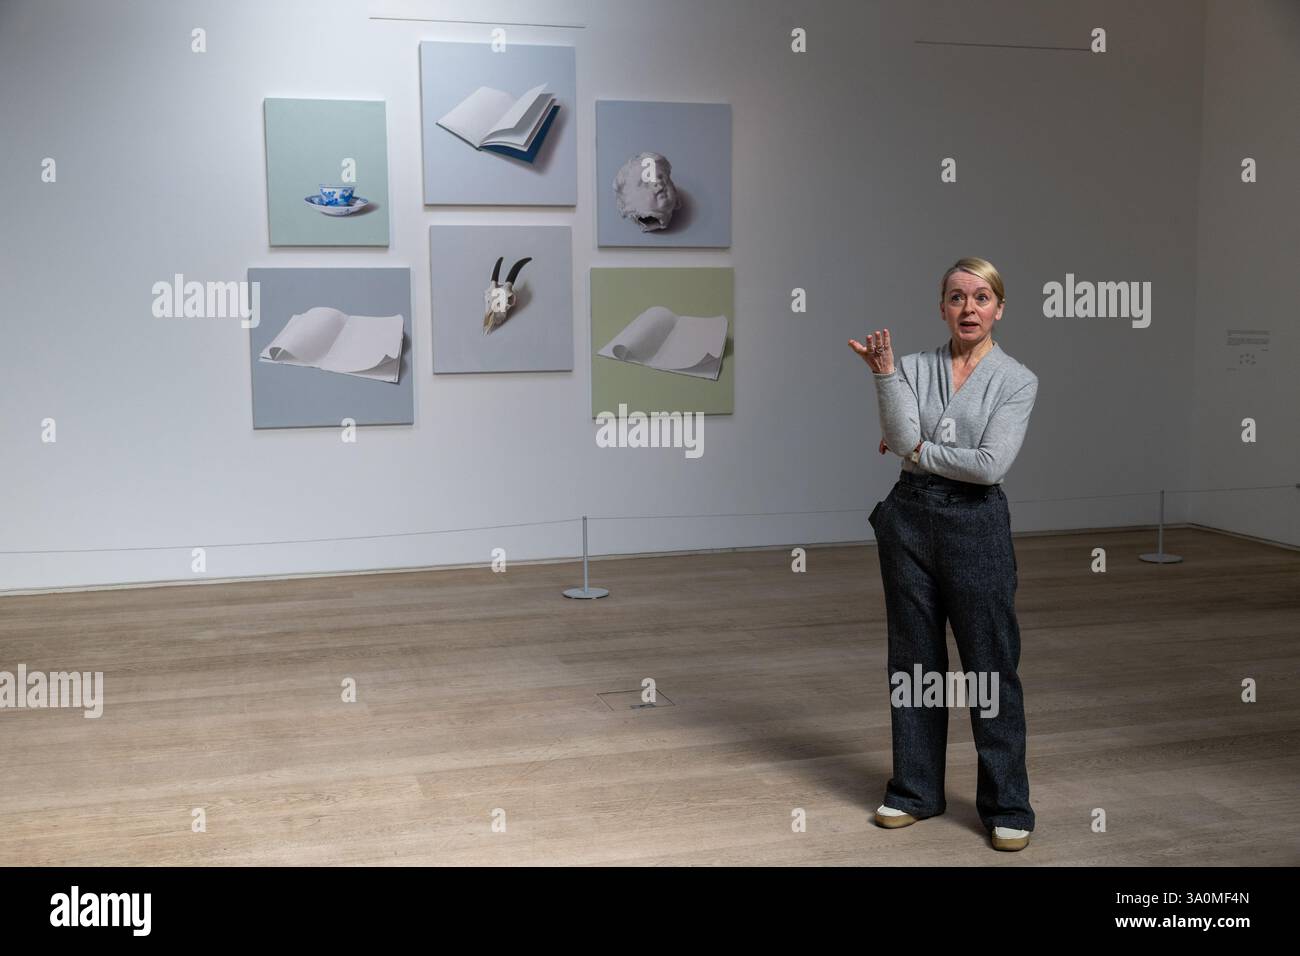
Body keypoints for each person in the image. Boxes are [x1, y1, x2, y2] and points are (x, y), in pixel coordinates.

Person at [847, 257, 1039, 852]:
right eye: (957, 298)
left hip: (975, 525)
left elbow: (989, 466)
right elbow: (901, 438)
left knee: (989, 666)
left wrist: (916, 446)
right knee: (912, 665)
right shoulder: (910, 367)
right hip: (909, 519)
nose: (969, 309)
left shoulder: (1016, 380)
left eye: (982, 298)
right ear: (942, 307)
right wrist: (884, 377)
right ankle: (915, 791)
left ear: (999, 308)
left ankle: (1008, 805)